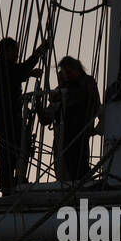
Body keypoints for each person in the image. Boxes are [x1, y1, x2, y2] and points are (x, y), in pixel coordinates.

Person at [0, 36, 50, 194]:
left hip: (7, 112)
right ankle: (8, 183)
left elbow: (16, 74)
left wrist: (28, 73)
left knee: (20, 142)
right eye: (14, 51)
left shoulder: (2, 66)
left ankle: (13, 179)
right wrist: (39, 52)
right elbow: (17, 72)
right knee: (10, 146)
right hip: (4, 113)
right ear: (6, 50)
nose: (17, 55)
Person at [39, 56, 101, 185]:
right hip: (62, 134)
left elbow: (88, 100)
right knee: (63, 168)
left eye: (67, 72)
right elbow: (46, 118)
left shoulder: (87, 83)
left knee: (78, 165)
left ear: (75, 69)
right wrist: (39, 108)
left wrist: (62, 95)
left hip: (79, 131)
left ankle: (80, 188)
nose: (65, 75)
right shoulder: (61, 90)